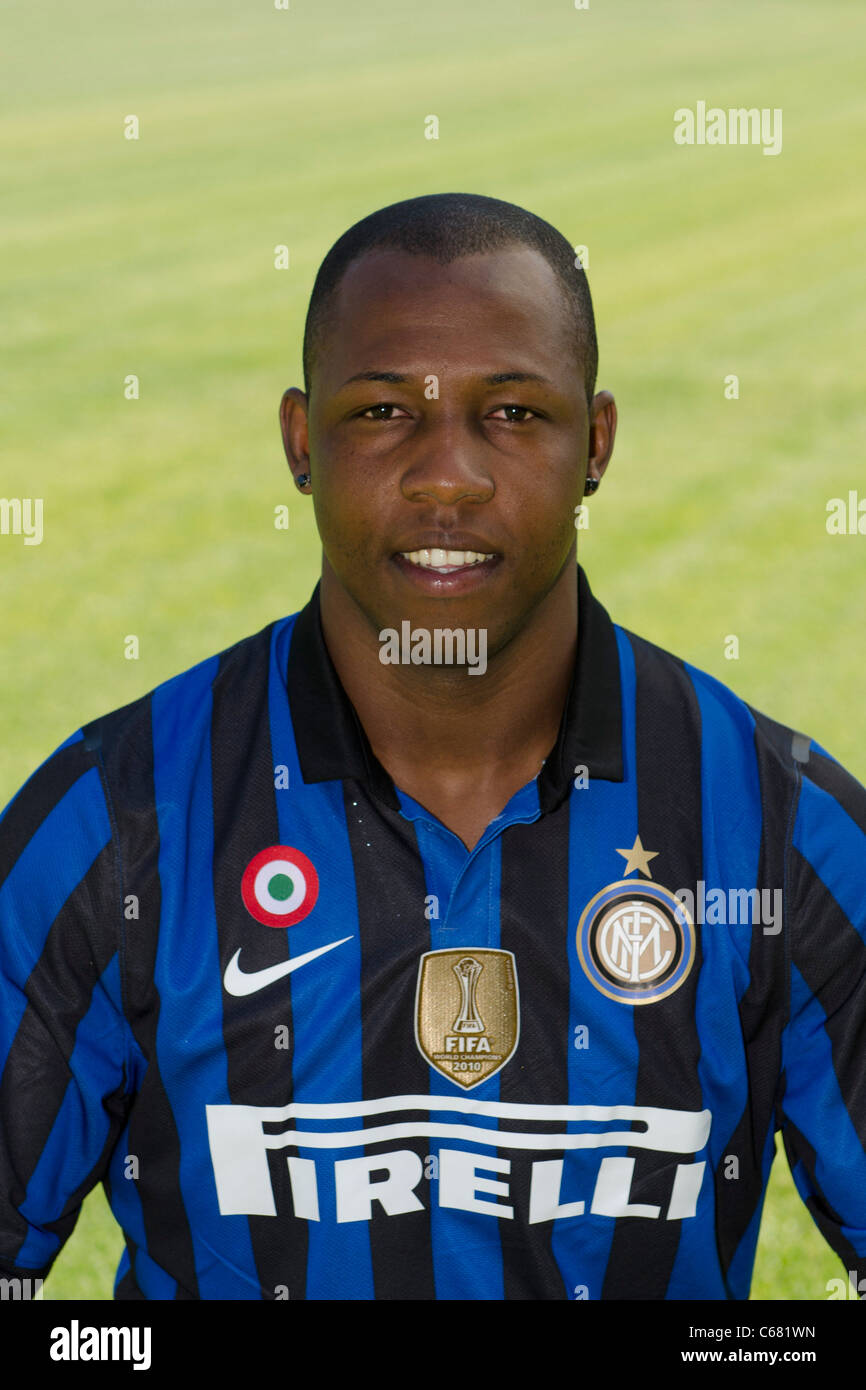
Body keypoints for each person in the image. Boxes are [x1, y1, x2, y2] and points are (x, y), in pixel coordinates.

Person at [1, 192, 864, 1302]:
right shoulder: (114, 820)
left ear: (593, 442)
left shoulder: (778, 828)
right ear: (299, 442)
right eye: (380, 413)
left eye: (509, 413)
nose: (446, 475)